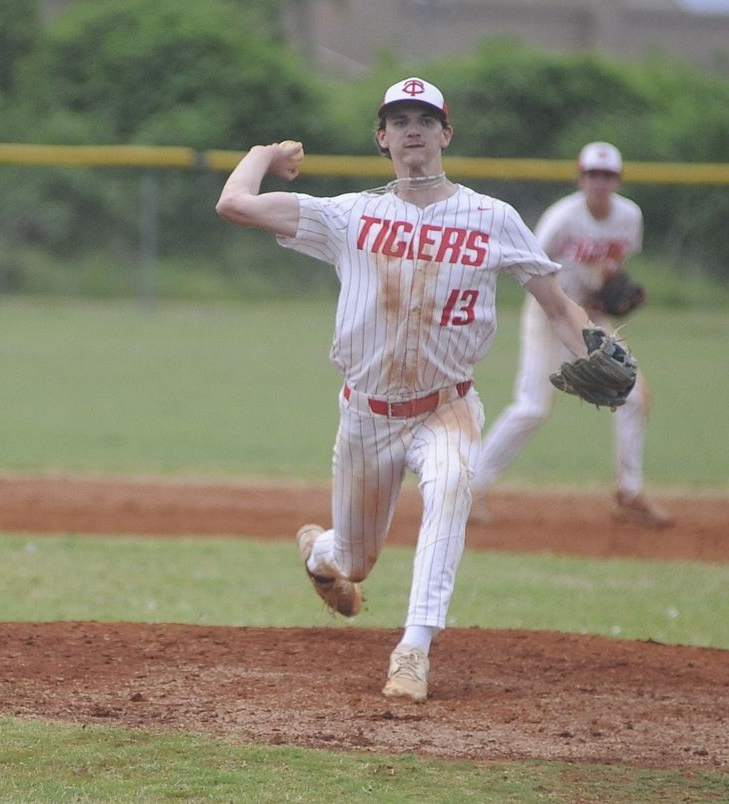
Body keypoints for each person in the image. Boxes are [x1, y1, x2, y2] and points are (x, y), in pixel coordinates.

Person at [215, 77, 604, 702]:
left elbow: (557, 306)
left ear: (446, 133)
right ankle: (321, 554)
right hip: (367, 416)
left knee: (451, 488)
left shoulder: (493, 218)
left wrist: (596, 349)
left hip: (447, 407)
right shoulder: (350, 215)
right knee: (355, 559)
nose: (413, 128)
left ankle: (412, 651)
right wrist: (265, 154)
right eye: (399, 120)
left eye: (425, 118)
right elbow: (234, 205)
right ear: (381, 138)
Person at [471, 142, 672, 529]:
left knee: (633, 396)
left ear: (617, 180)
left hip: (589, 317)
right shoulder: (562, 218)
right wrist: (560, 307)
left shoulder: (629, 217)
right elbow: (525, 265)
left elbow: (612, 266)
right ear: (581, 178)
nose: (599, 182)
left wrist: (610, 295)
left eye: (607, 175)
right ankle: (469, 488)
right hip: (549, 313)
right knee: (532, 407)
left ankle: (629, 494)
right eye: (593, 174)